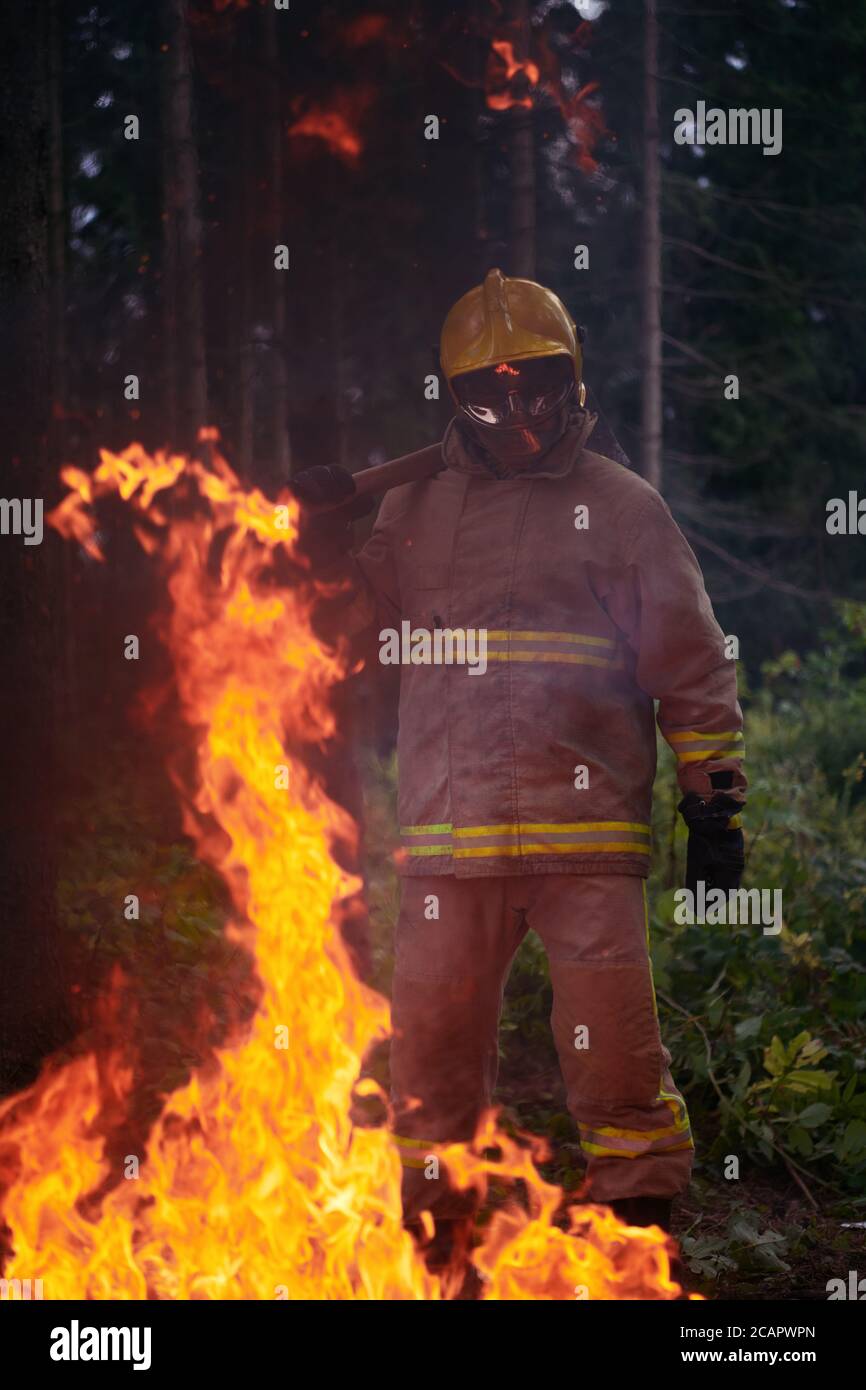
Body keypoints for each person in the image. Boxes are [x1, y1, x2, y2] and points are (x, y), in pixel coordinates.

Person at [292, 268, 747, 1247]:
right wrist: (319, 544)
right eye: (486, 391)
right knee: (431, 1066)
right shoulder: (408, 510)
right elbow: (352, 632)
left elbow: (690, 661)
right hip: (447, 843)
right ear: (454, 397)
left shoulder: (622, 509)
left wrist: (712, 806)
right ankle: (436, 1242)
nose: (516, 408)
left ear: (571, 378)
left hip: (582, 839)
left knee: (615, 1058)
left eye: (533, 382)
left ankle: (640, 1236)